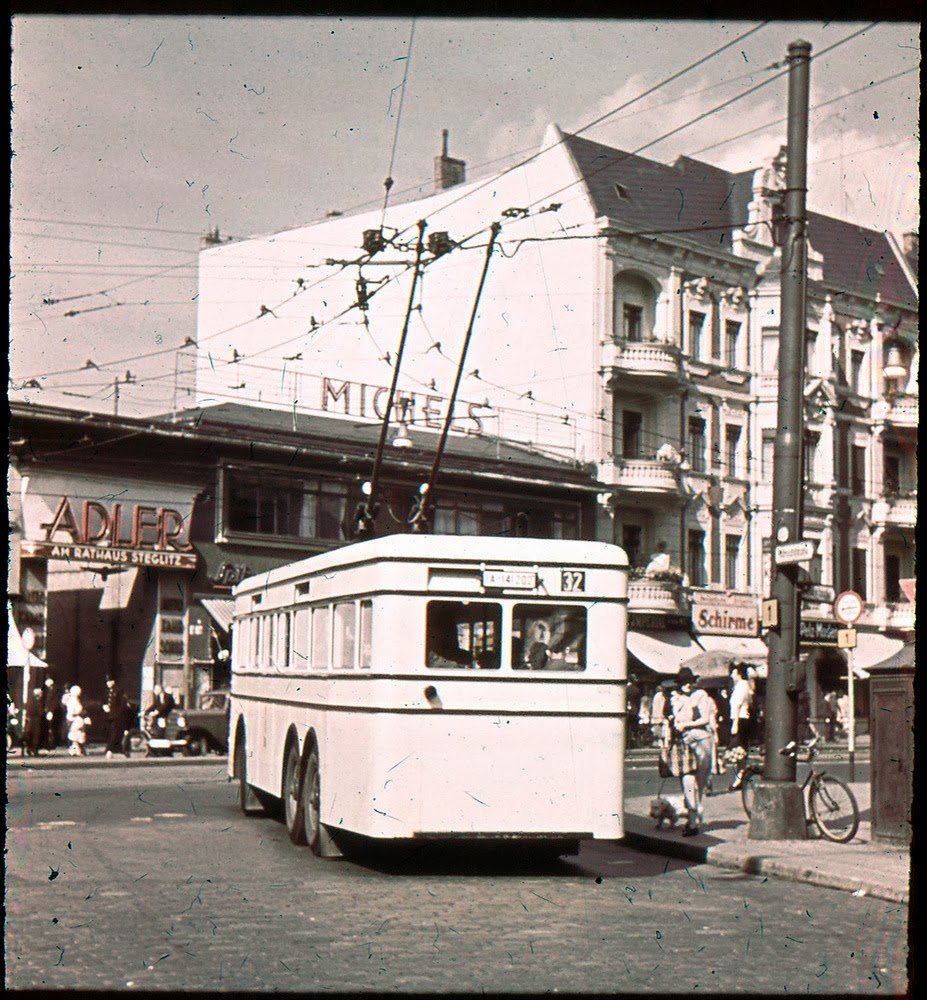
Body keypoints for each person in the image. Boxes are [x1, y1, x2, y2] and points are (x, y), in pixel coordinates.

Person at [652, 667, 713, 836]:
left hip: (699, 739)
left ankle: (694, 815)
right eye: (684, 682)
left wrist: (686, 724)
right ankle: (692, 817)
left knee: (699, 782)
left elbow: (705, 719)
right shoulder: (673, 698)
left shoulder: (701, 696)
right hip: (681, 741)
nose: (687, 685)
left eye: (689, 682)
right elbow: (666, 718)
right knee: (687, 779)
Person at [727, 664, 754, 790]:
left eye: (733, 672)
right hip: (743, 719)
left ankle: (740, 778)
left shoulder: (741, 686)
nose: (731, 675)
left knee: (738, 751)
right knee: (740, 752)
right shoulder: (743, 685)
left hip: (740, 719)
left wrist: (734, 724)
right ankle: (739, 778)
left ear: (737, 673)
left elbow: (736, 705)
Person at [103, 677, 132, 758]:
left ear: (113, 681)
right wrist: (104, 706)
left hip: (116, 716)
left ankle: (110, 749)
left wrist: (116, 712)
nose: (108, 684)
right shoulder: (107, 691)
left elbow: (122, 705)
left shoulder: (118, 691)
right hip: (109, 716)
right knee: (109, 732)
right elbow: (104, 700)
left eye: (109, 682)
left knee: (115, 733)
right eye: (107, 682)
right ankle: (116, 748)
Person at [65, 685, 90, 756]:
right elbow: (73, 711)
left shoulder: (75, 700)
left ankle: (76, 749)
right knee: (76, 734)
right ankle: (76, 749)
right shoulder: (72, 701)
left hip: (76, 719)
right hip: (74, 719)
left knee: (77, 734)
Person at [40, 678, 64, 752]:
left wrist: (50, 710)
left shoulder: (54, 691)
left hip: (52, 712)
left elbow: (54, 702)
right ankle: (49, 743)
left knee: (52, 728)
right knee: (48, 727)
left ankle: (52, 743)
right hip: (48, 711)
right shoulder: (48, 691)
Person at [23, 686, 44, 757]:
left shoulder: (31, 701)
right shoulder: (37, 702)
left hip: (31, 720)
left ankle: (29, 749)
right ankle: (34, 750)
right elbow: (39, 711)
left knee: (31, 734)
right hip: (35, 719)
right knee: (35, 735)